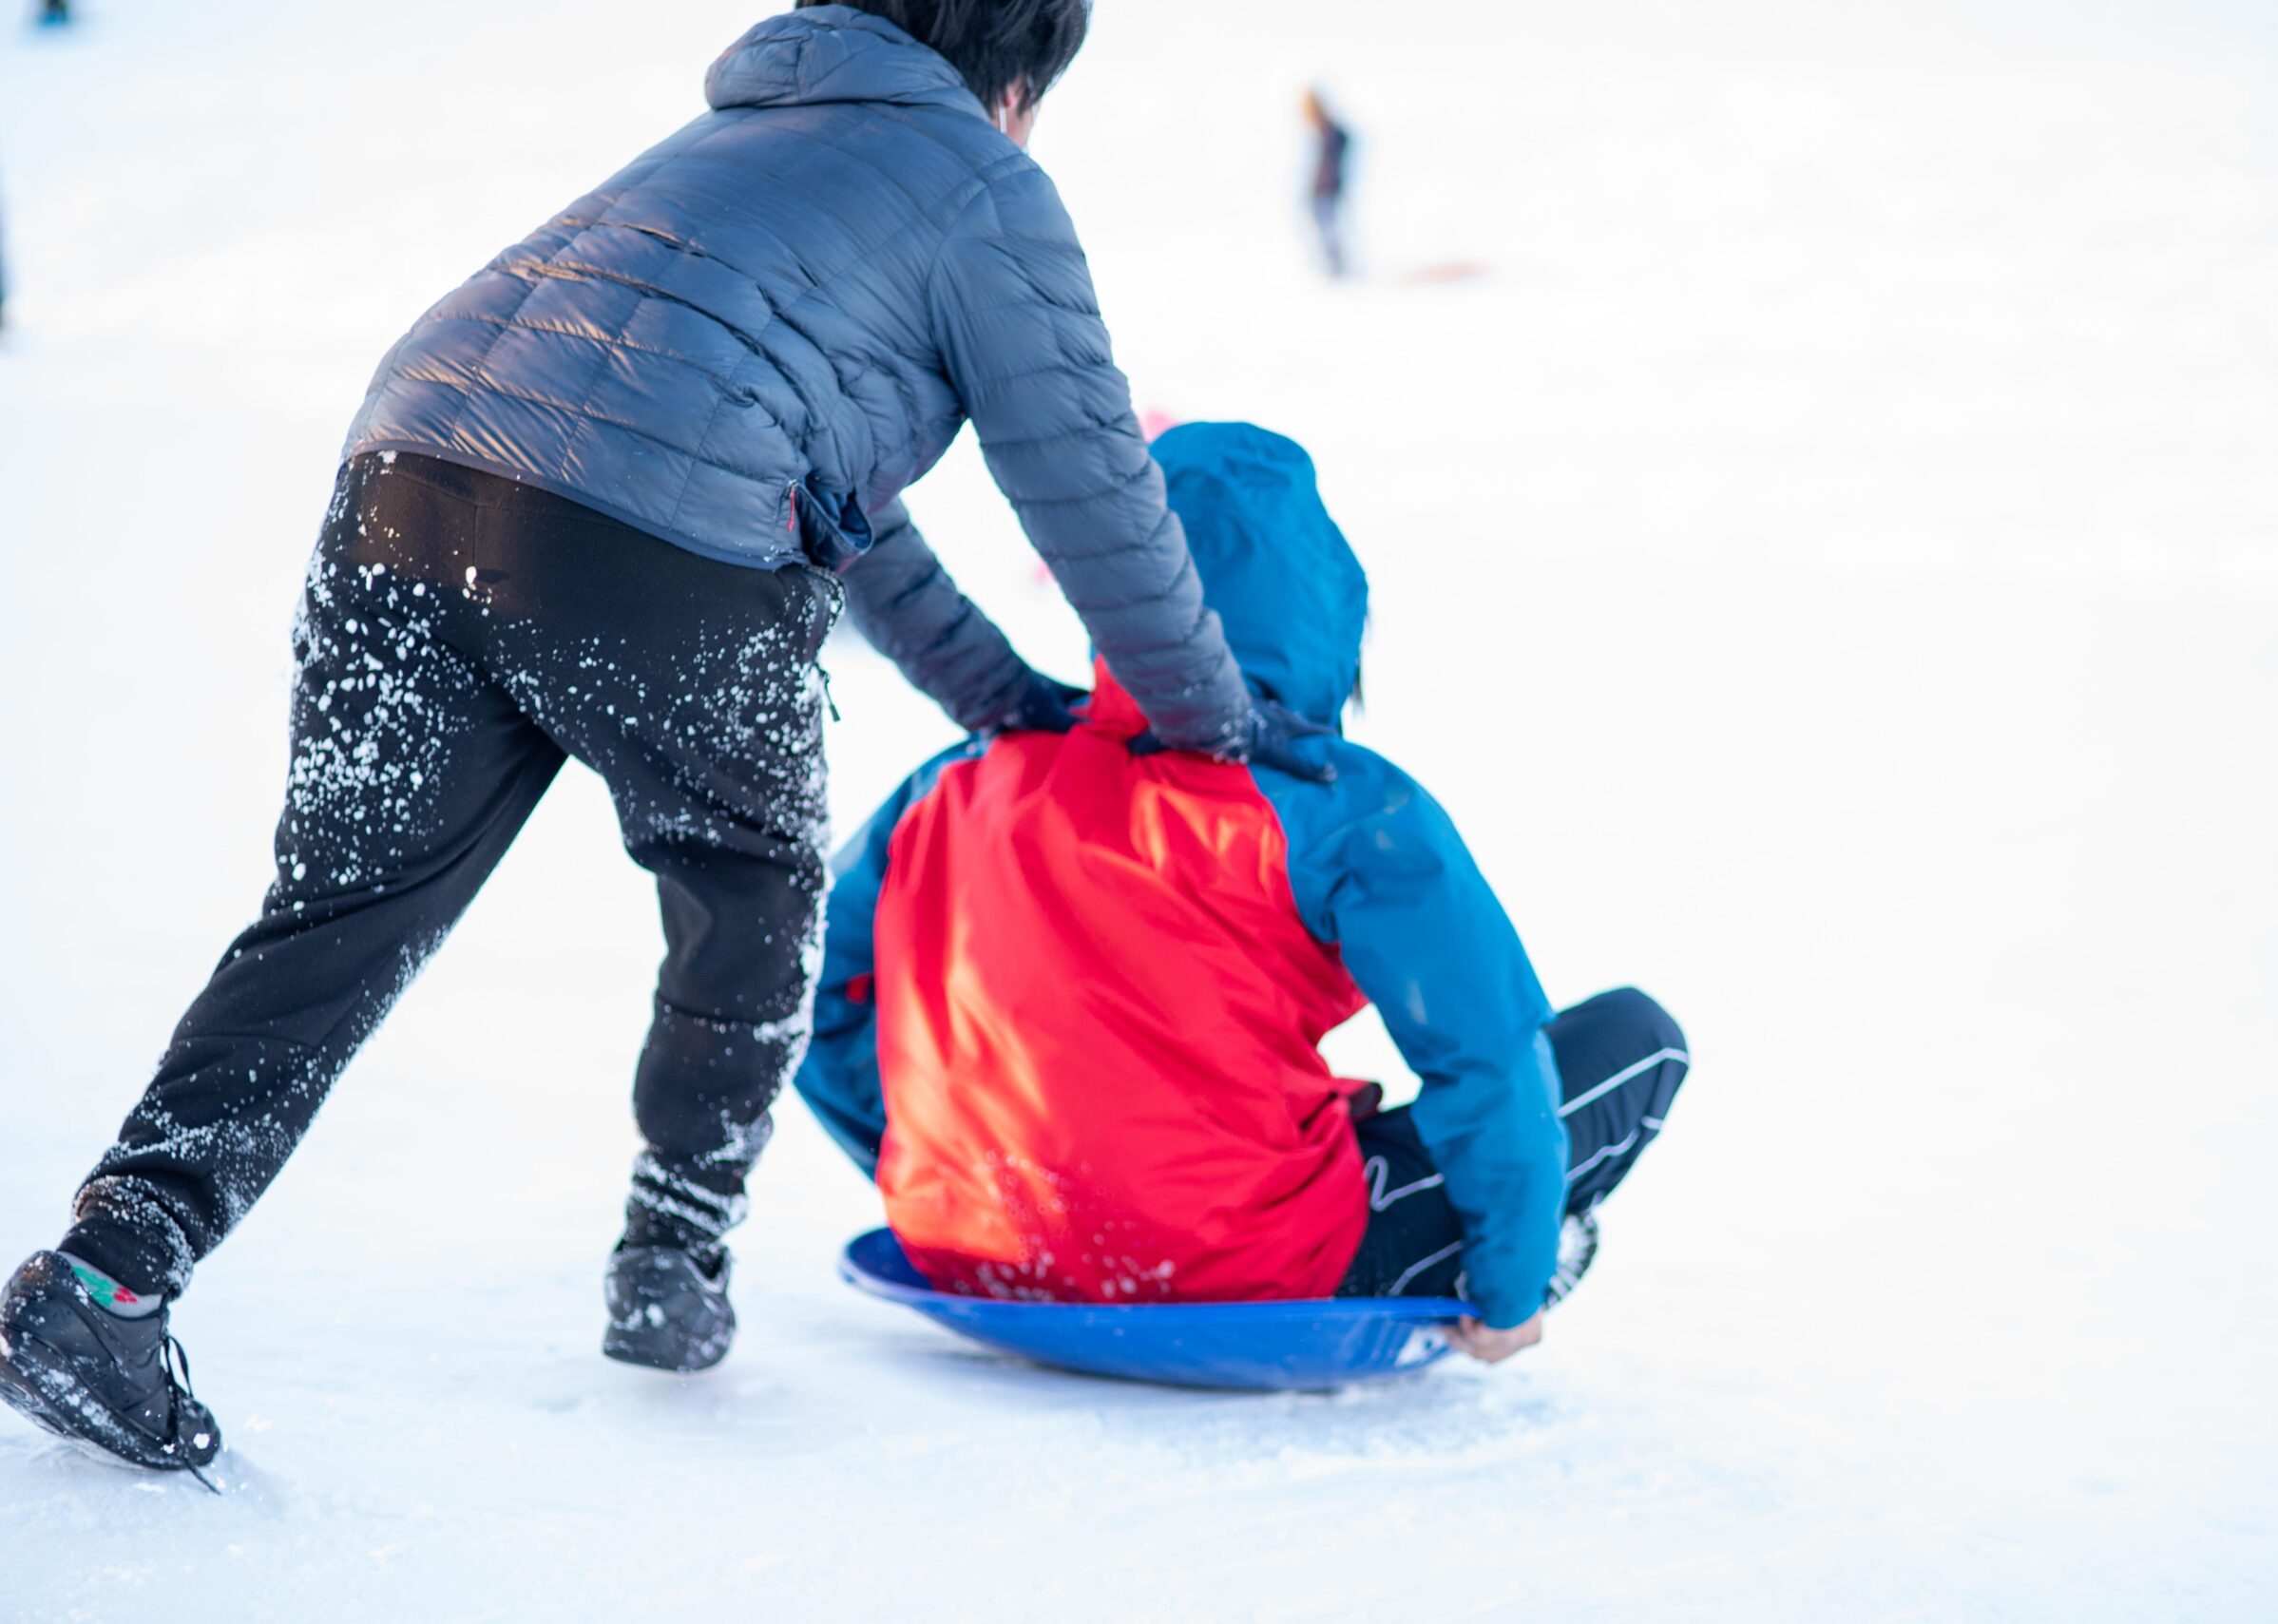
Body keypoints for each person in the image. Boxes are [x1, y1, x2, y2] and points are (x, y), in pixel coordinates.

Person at [0, 3, 1330, 1481]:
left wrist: (999, 698)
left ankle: (109, 1272)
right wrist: (1215, 727)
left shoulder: (733, 145)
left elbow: (835, 501)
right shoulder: (981, 186)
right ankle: (671, 1260)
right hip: (650, 549)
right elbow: (1093, 491)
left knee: (339, 914)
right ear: (1017, 77)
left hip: (407, 481)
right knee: (751, 888)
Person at [795, 423, 1691, 1363]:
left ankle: (1018, 1211)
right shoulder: (1343, 808)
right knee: (1637, 1042)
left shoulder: (959, 779)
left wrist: (958, 1169)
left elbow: (813, 994)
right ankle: (1517, 1263)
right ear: (1323, 601)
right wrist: (1510, 1289)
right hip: (1248, 1268)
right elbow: (1489, 1057)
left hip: (975, 1247)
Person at [1302, 87, 1352, 279]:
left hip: (1328, 192)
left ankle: (1338, 271)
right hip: (1321, 193)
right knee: (1324, 234)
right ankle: (1334, 270)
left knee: (1332, 233)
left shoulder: (1330, 133)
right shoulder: (1320, 134)